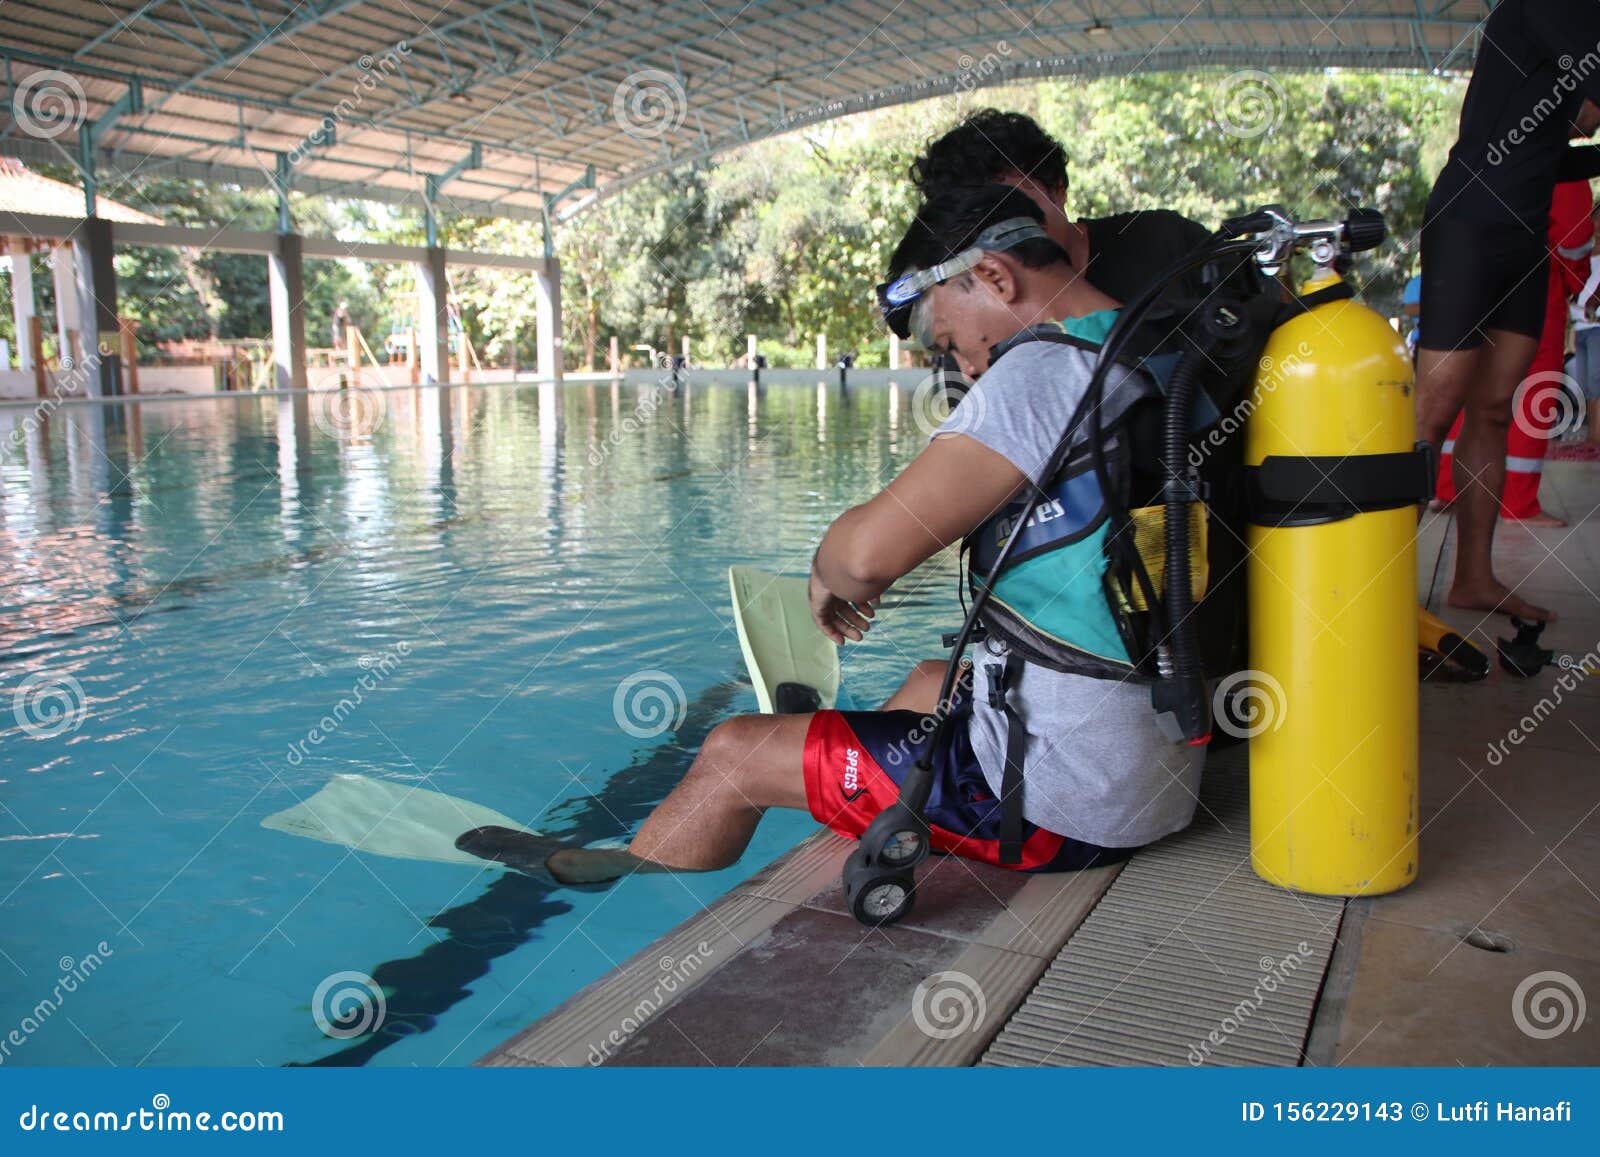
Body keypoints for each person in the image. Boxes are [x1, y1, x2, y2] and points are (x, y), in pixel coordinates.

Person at [534, 185, 1198, 886]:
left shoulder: (1041, 371)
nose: (968, 369)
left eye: (951, 341)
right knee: (925, 682)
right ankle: (851, 783)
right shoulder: (1144, 349)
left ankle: (633, 876)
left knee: (733, 753)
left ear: (997, 277)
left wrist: (827, 574)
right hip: (1152, 764)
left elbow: (863, 557)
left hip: (1060, 808)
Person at [1414, 0, 1600, 623]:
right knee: (1434, 409)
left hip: (1525, 233)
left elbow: (1559, 153)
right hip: (1468, 221)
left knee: (1494, 410)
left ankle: (1473, 580)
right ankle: (1375, 581)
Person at [910, 108, 1214, 306]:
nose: (1004, 226)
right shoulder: (979, 313)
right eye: (980, 222)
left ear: (1057, 188)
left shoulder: (1166, 242)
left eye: (1013, 204)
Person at [1433, 178, 1594, 525]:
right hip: (1536, 283)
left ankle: (1449, 488)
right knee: (1534, 388)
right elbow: (1574, 240)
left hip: (1471, 278)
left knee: (1470, 383)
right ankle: (1517, 502)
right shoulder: (1558, 162)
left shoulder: (1482, 149)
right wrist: (1580, 285)